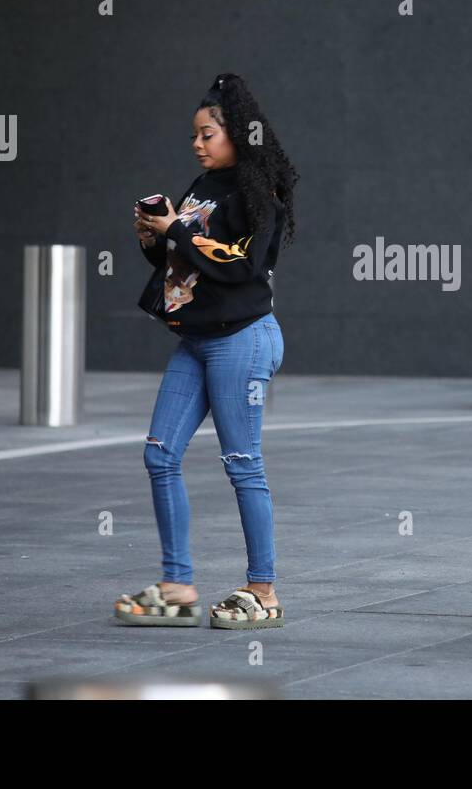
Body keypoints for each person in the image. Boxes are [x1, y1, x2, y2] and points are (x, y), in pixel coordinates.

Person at [114, 72, 298, 630]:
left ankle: (263, 591)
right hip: (196, 338)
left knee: (243, 465)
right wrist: (156, 237)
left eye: (207, 134)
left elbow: (238, 266)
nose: (196, 144)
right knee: (159, 455)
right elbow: (187, 263)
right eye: (194, 134)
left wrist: (178, 231)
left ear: (239, 135)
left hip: (241, 339)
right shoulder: (202, 185)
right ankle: (177, 586)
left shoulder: (256, 192)